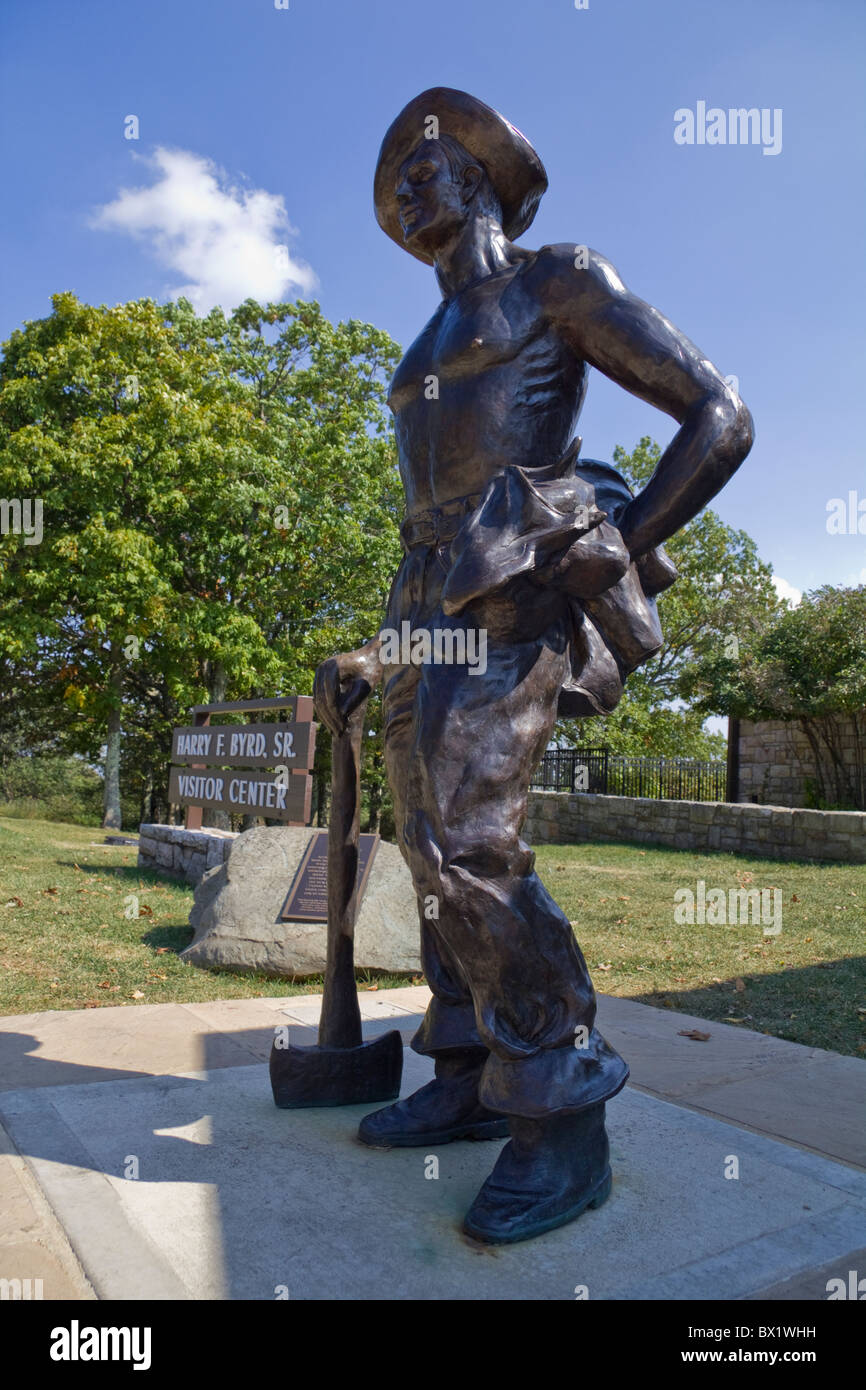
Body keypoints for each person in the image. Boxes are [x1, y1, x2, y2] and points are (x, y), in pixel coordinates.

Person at [314, 88, 753, 1244]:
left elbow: (718, 413)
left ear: (477, 177)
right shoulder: (412, 357)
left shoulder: (554, 281)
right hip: (429, 605)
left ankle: (560, 1115)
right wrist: (376, 647)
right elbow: (423, 538)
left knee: (471, 844)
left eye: (422, 170)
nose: (404, 195)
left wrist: (623, 536)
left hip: (518, 587)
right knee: (425, 849)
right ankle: (466, 1069)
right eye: (388, 190)